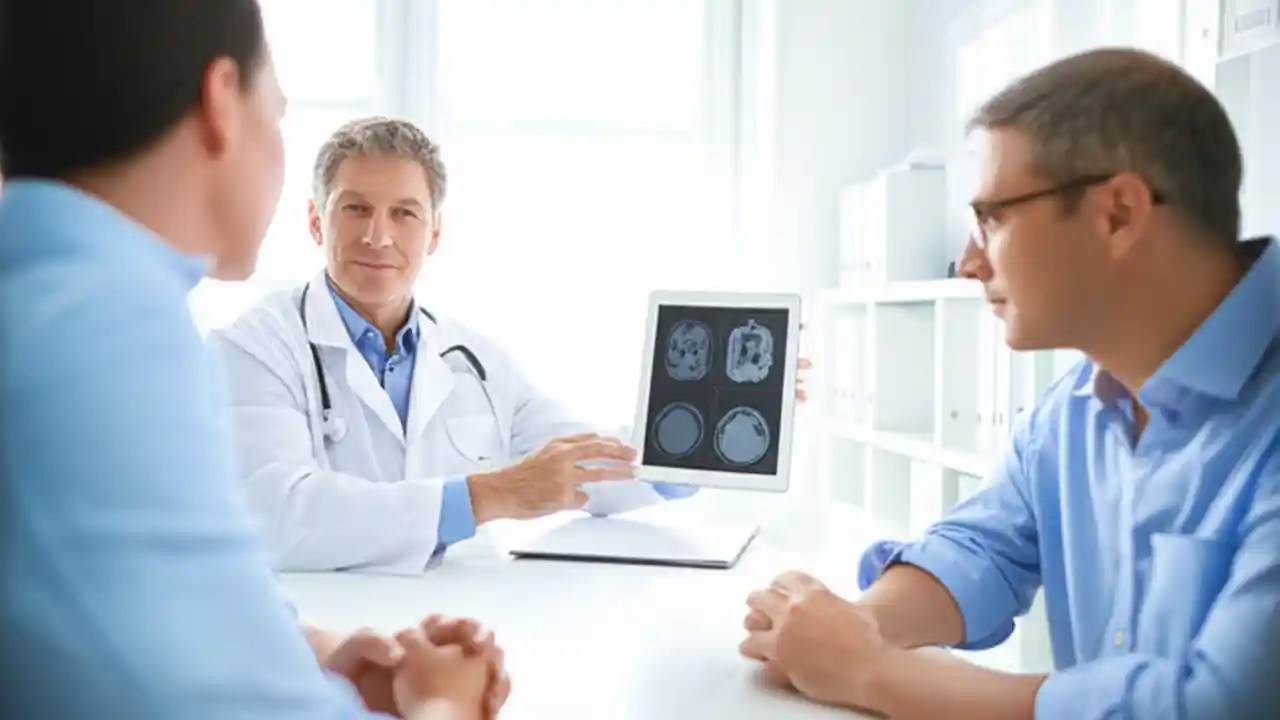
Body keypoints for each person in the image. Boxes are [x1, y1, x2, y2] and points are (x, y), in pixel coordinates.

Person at [739, 48, 1279, 720]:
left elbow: (1211, 707)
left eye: (991, 218)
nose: (968, 262)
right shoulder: (1077, 408)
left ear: (1118, 214)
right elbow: (982, 551)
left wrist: (869, 673)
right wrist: (850, 629)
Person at [0, 2, 506, 718]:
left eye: (405, 215)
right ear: (220, 104)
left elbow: (139, 604)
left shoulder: (52, 294)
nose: (378, 236)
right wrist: (444, 706)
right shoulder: (103, 334)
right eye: (277, 113)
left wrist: (317, 654)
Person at [209, 116, 809, 573]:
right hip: (322, 642)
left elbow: (581, 467)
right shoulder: (258, 348)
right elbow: (275, 513)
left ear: (435, 233)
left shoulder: (476, 362)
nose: (378, 235)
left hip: (449, 633)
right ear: (316, 222)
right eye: (355, 209)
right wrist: (490, 495)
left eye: (405, 214)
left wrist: (706, 430)